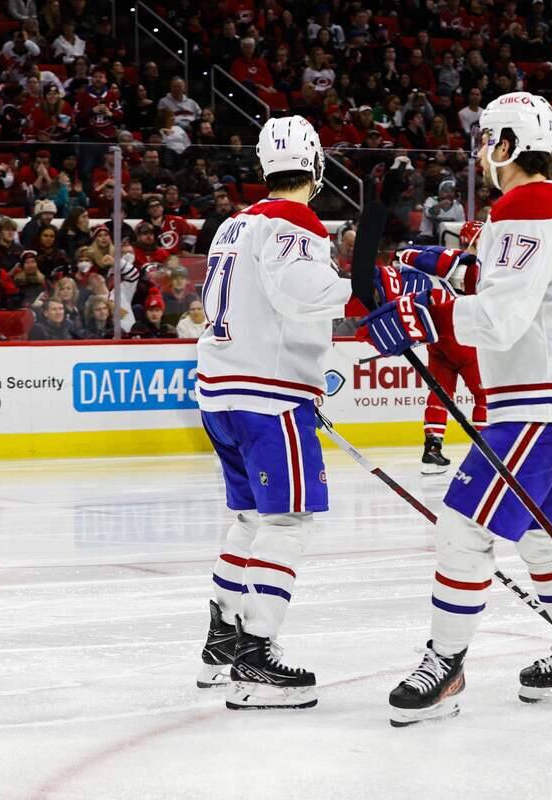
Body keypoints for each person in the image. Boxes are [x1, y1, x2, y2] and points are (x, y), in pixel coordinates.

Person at [359, 92, 552, 725]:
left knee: (464, 526)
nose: (480, 150)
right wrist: (451, 271)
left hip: (543, 395)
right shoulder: (551, 205)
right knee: (536, 532)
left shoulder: (527, 204)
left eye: (487, 139)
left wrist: (422, 311)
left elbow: (501, 318)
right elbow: (513, 286)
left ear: (507, 145)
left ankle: (444, 666)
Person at [193, 115, 421, 710]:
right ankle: (255, 657)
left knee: (247, 517)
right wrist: (360, 290)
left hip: (220, 391)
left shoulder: (232, 226)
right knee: (287, 523)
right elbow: (299, 290)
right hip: (268, 395)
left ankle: (222, 643)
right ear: (315, 166)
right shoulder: (293, 219)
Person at [396, 222, 488, 474]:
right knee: (483, 395)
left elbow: (405, 255)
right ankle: (484, 450)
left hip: (436, 337)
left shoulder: (438, 261)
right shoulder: (474, 265)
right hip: (464, 335)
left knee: (440, 394)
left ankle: (432, 449)